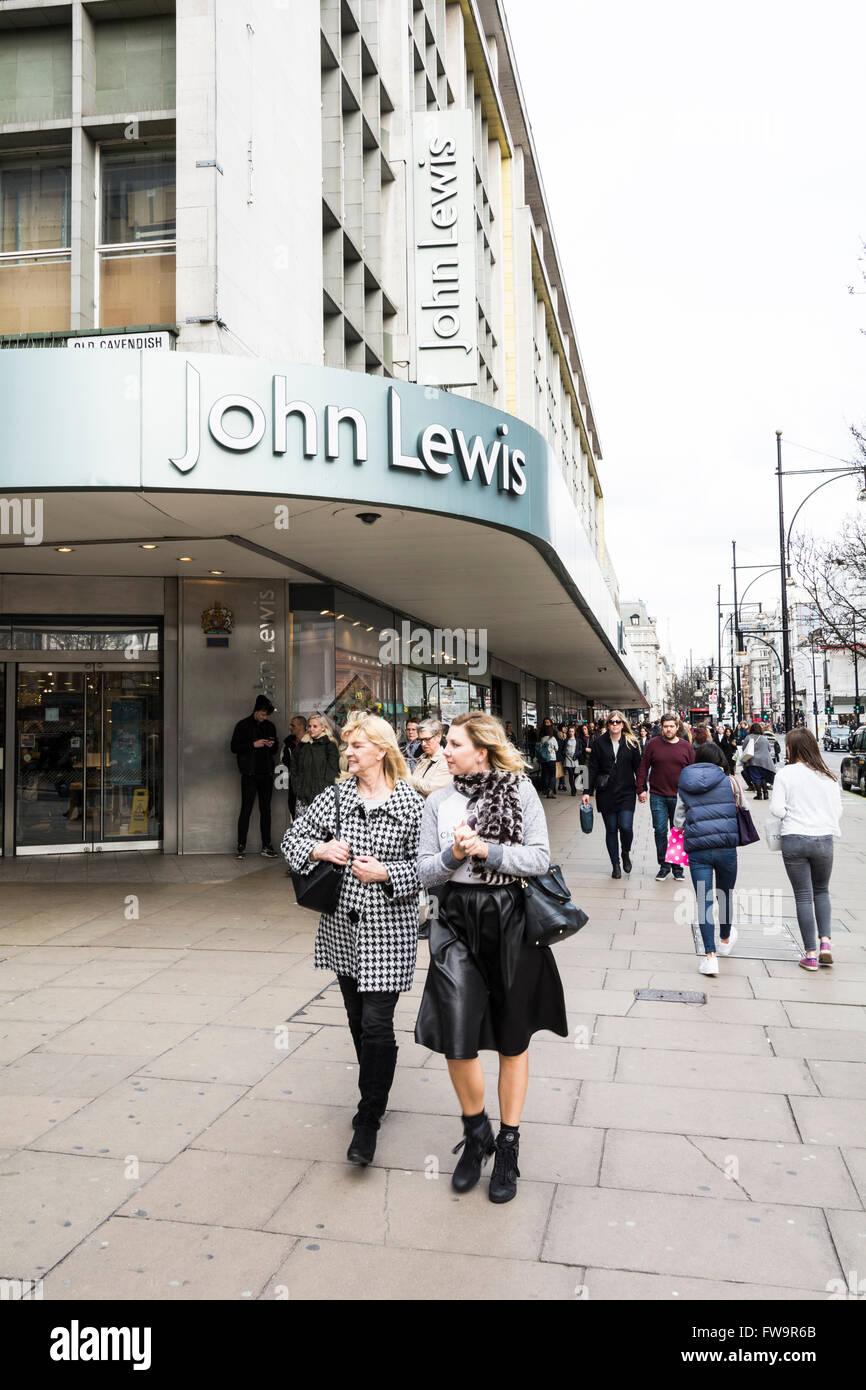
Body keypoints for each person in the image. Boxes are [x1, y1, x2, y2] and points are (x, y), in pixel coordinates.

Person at [415, 712, 567, 1204]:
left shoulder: (520, 792)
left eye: (453, 744)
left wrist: (489, 851)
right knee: (456, 1033)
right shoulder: (438, 801)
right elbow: (423, 871)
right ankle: (476, 1129)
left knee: (511, 1037)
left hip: (509, 919)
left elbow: (540, 857)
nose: (443, 751)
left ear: (480, 750)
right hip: (454, 918)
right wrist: (455, 857)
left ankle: (507, 1145)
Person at [282, 715, 423, 1165]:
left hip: (389, 930)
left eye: (358, 746)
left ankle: (368, 1116)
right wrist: (319, 849)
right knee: (356, 1017)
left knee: (377, 1024)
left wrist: (388, 873)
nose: (349, 753)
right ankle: (375, 1092)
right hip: (343, 927)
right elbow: (291, 839)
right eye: (347, 746)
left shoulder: (411, 805)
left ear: (382, 750)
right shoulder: (336, 796)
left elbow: (430, 870)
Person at [770, 728, 843, 971]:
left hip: (794, 837)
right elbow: (838, 812)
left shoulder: (785, 774)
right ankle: (825, 944)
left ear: (791, 748)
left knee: (803, 895)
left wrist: (793, 813)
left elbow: (777, 809)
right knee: (821, 891)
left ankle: (810, 955)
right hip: (823, 838)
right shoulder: (828, 776)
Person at [673, 741, 739, 976]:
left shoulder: (685, 782)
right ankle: (725, 939)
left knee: (704, 901)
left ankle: (710, 957)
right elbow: (743, 808)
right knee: (725, 895)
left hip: (698, 849)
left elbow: (678, 821)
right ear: (720, 759)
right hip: (726, 847)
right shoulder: (729, 781)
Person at [636, 712, 695, 881]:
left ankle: (677, 867)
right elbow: (643, 766)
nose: (668, 729)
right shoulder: (653, 744)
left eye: (671, 726)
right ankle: (664, 865)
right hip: (657, 795)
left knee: (677, 831)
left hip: (679, 796)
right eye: (665, 726)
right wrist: (640, 788)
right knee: (660, 830)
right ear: (661, 727)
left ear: (677, 727)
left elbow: (692, 771)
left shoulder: (686, 747)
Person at [583, 710, 642, 877]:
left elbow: (638, 768)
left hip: (627, 792)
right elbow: (592, 768)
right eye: (612, 722)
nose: (615, 725)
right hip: (606, 792)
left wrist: (641, 789)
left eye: (618, 722)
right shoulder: (599, 743)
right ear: (607, 725)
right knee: (611, 829)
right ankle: (615, 865)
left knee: (625, 827)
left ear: (623, 724)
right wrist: (587, 791)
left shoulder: (631, 742)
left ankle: (625, 852)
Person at [231, 695, 279, 859]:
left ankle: (267, 845)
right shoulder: (243, 725)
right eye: (263, 714)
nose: (264, 718)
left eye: (266, 715)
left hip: (266, 773)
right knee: (246, 808)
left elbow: (275, 750)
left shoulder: (270, 726)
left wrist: (272, 744)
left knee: (266, 810)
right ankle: (240, 845)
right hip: (249, 774)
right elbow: (234, 747)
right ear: (256, 710)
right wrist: (253, 744)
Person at [290, 712, 341, 817]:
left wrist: (324, 793)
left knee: (321, 831)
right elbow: (294, 766)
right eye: (309, 726)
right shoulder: (303, 745)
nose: (311, 729)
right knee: (302, 831)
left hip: (322, 799)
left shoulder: (330, 745)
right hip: (302, 799)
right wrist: (297, 787)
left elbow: (332, 772)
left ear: (323, 728)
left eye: (315, 726)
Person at [405, 719, 452, 798]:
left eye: (427, 739)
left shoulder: (446, 761)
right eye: (421, 740)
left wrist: (409, 778)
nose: (423, 744)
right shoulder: (423, 758)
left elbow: (432, 788)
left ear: (438, 737)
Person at [281, 714, 307, 821]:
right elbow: (284, 760)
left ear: (301, 726)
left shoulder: (312, 741)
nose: (289, 727)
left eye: (293, 725)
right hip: (294, 783)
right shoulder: (288, 743)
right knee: (293, 808)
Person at [742, 722, 776, 800]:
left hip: (753, 761)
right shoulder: (764, 738)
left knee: (756, 778)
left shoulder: (748, 737)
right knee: (763, 778)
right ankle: (766, 794)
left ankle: (759, 794)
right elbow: (769, 749)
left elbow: (744, 749)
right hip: (765, 761)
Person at [536, 723, 560, 799]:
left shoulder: (542, 739)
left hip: (544, 759)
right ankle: (550, 790)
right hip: (552, 758)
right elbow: (557, 748)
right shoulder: (552, 738)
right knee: (553, 775)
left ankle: (546, 790)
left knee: (546, 775)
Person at [562, 724, 583, 796]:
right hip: (568, 759)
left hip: (575, 759)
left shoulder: (578, 740)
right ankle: (573, 790)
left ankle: (575, 787)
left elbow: (580, 750)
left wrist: (576, 755)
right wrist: (565, 754)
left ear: (574, 732)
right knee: (571, 775)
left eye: (572, 731)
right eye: (570, 731)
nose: (571, 732)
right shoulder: (566, 740)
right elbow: (563, 750)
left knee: (576, 774)